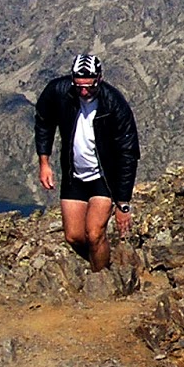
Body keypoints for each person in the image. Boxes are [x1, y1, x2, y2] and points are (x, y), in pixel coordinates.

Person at [33, 54, 140, 272]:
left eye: (89, 86)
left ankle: (101, 282)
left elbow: (128, 153)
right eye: (79, 86)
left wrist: (123, 203)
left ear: (99, 79)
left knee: (94, 233)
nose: (83, 91)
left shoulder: (114, 103)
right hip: (75, 175)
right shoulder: (59, 92)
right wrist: (44, 161)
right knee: (74, 236)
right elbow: (44, 120)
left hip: (104, 177)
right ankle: (101, 262)